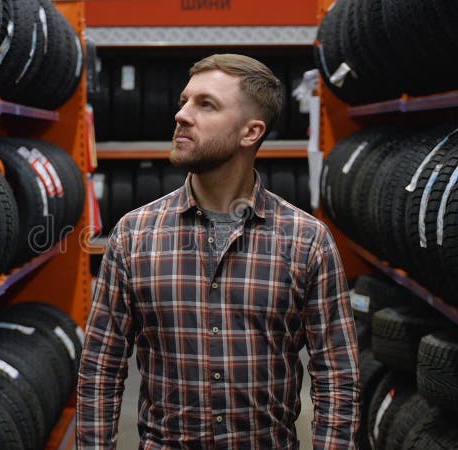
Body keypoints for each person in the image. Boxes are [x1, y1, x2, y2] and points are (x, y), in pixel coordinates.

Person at [77, 54, 360, 449]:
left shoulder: (307, 241)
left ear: (251, 132)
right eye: (184, 101)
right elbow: (100, 371)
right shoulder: (133, 234)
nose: (181, 115)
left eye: (205, 104)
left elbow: (338, 379)